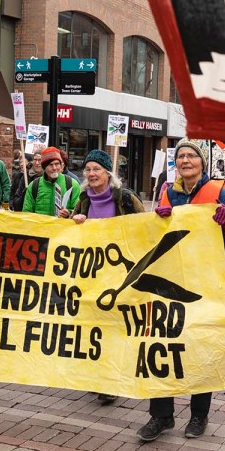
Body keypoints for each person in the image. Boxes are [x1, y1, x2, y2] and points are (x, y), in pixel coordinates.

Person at [139, 138, 225, 442]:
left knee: (201, 348)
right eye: (180, 156)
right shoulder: (167, 192)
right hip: (170, 282)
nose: (185, 160)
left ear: (201, 163)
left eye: (191, 156)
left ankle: (199, 415)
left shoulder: (219, 192)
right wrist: (155, 223)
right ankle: (161, 416)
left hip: (207, 284)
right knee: (161, 346)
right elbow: (154, 241)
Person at [72, 148, 145, 405]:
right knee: (93, 327)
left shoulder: (125, 198)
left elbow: (145, 229)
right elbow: (71, 237)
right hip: (91, 276)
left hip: (119, 277)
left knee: (114, 328)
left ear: (108, 173)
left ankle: (111, 380)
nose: (91, 174)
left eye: (96, 169)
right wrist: (73, 221)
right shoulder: (83, 201)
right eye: (88, 170)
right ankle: (98, 376)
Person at [22, 146, 80, 218]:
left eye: (57, 164)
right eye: (50, 165)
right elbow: (27, 213)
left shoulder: (72, 184)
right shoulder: (34, 185)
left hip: (63, 228)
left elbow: (79, 212)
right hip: (40, 228)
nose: (54, 168)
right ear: (44, 167)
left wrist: (69, 213)